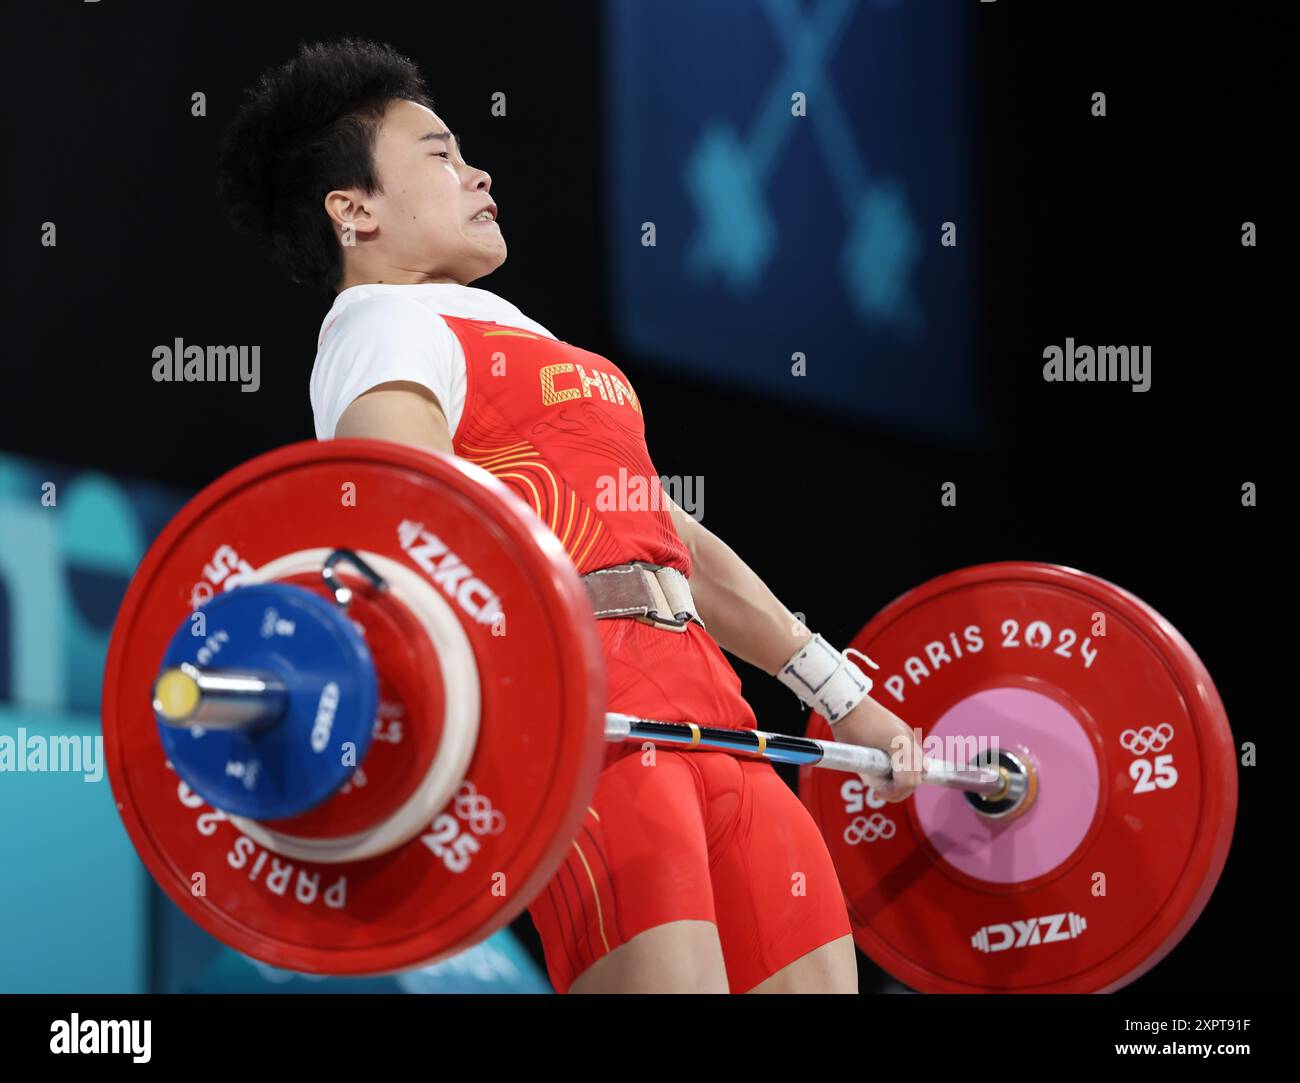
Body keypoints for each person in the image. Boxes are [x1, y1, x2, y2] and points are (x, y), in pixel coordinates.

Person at [218, 38, 923, 994]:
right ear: (354, 210)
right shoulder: (376, 330)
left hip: (719, 720)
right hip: (597, 737)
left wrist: (846, 697)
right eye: (438, 154)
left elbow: (675, 543)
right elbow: (411, 518)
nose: (477, 171)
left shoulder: (516, 332)